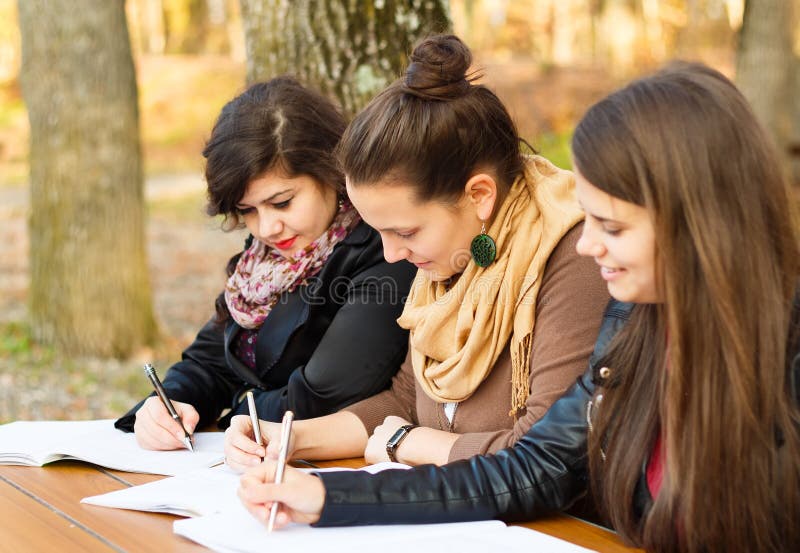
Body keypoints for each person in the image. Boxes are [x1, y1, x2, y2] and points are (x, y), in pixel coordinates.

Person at [235, 62, 800, 552]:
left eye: (612, 226)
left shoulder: (760, 343)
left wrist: (403, 449)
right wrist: (336, 492)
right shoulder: (640, 322)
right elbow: (538, 465)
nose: (587, 242)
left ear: (698, 222)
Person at [224, 35, 609, 469]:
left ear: (479, 194)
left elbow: (547, 453)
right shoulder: (453, 251)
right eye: (380, 232)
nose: (390, 255)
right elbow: (406, 398)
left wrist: (409, 444)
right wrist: (291, 438)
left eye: (403, 231)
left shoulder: (573, 257)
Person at [116, 77, 416, 450]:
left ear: (330, 171)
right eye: (247, 211)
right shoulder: (269, 257)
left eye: (282, 202)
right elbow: (210, 360)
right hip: (253, 458)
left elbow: (323, 394)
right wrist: (169, 404)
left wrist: (238, 409)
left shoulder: (382, 250)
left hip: (335, 466)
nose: (267, 227)